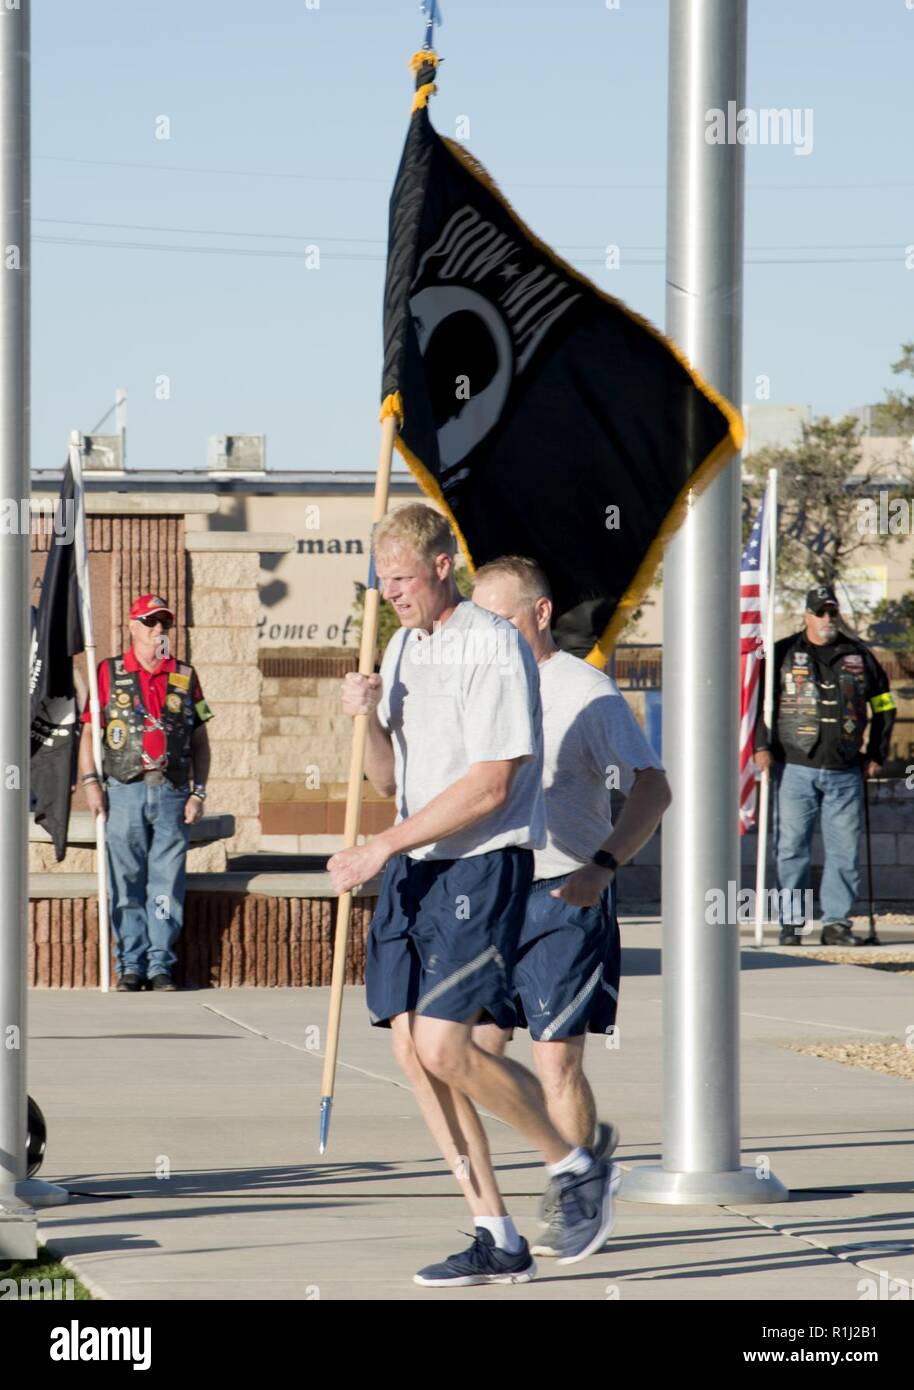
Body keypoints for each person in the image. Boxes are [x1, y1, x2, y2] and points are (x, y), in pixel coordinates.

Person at [327, 504, 619, 1287]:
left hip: (477, 867)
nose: (391, 593)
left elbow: (493, 785)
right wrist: (370, 722)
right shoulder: (400, 646)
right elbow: (389, 780)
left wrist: (382, 846)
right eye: (381, 581)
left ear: (442, 567)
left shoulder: (490, 648)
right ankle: (496, 1231)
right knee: (414, 1057)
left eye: (403, 579)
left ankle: (576, 1164)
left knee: (446, 1045)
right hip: (412, 870)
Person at [469, 556, 671, 1256]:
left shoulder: (587, 692)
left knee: (555, 1061)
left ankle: (577, 1195)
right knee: (463, 1054)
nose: (486, 632)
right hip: (487, 896)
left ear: (541, 613)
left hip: (563, 894)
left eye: (499, 619)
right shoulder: (475, 687)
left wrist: (603, 866)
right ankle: (575, 1155)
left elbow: (653, 789)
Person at [78, 594, 213, 991]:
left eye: (164, 624)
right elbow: (89, 732)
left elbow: (202, 740)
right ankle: (130, 964)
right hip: (124, 791)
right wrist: (90, 783)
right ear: (133, 626)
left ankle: (160, 965)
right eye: (150, 622)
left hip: (172, 793)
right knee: (126, 881)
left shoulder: (185, 675)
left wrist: (198, 793)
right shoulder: (108, 672)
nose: (158, 630)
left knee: (166, 883)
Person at [753, 584, 895, 947]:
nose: (827, 618)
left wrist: (876, 753)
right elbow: (756, 704)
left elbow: (884, 705)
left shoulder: (859, 655)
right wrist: (760, 746)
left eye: (832, 611)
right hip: (793, 769)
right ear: (806, 615)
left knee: (845, 851)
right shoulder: (783, 653)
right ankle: (792, 923)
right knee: (790, 849)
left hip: (846, 770)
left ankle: (837, 924)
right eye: (821, 612)